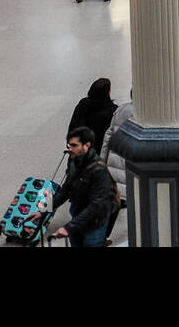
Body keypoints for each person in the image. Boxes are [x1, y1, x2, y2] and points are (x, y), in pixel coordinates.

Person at [48, 127, 115, 247]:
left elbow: (95, 205)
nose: (70, 149)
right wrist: (43, 210)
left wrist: (69, 227)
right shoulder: (73, 161)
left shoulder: (99, 170)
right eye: (69, 145)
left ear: (87, 145)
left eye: (74, 145)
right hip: (77, 216)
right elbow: (65, 190)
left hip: (94, 223)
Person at [99, 92, 132, 242]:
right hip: (130, 164)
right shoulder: (144, 113)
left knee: (115, 201)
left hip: (114, 161)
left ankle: (102, 236)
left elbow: (108, 136)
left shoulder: (120, 110)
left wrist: (102, 160)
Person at [68, 79, 117, 156]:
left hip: (81, 150)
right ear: (107, 92)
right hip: (99, 153)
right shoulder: (112, 110)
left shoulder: (83, 104)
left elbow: (73, 125)